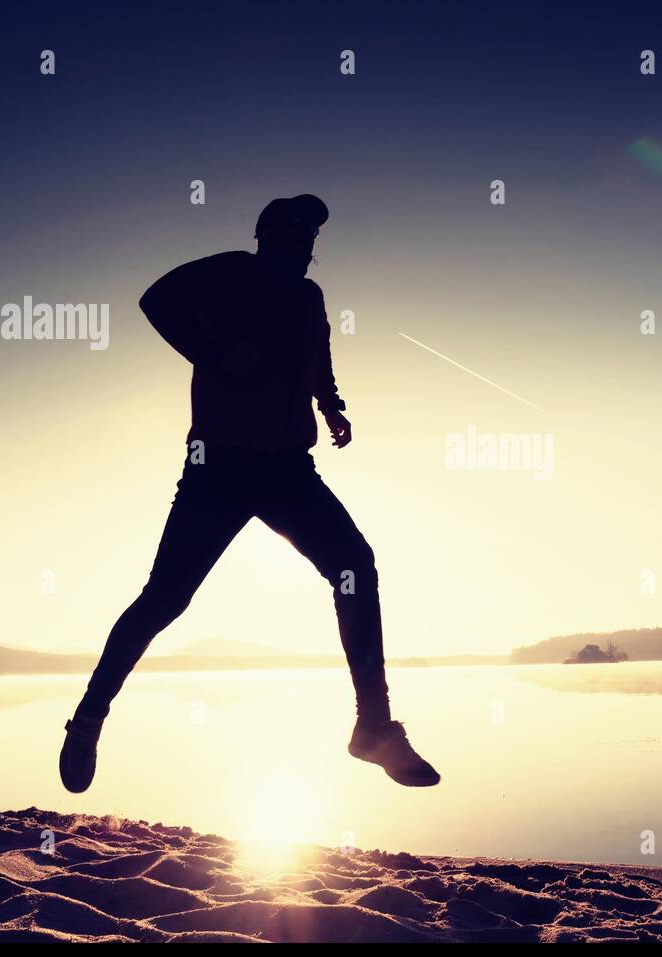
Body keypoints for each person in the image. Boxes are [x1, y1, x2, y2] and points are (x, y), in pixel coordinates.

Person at [58, 195, 439, 792]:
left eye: (312, 241)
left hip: (289, 469)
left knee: (354, 567)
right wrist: (218, 353)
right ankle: (88, 719)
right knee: (164, 599)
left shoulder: (309, 298)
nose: (306, 251)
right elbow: (155, 300)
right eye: (295, 239)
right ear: (267, 238)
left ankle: (374, 727)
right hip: (220, 466)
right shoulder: (231, 271)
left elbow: (318, 354)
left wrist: (330, 403)